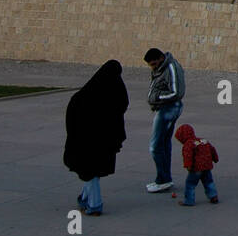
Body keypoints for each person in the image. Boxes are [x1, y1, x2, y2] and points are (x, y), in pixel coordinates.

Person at [63, 60, 129, 216]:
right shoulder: (116, 96)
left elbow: (71, 120)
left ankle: (94, 205)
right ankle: (85, 199)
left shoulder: (82, 97)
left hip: (84, 142)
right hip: (104, 142)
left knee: (88, 171)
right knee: (93, 172)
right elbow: (121, 111)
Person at [144, 47, 185, 193]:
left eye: (154, 64)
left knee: (155, 146)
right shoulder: (161, 68)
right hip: (164, 108)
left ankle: (163, 179)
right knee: (164, 143)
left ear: (161, 58)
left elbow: (176, 92)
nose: (153, 67)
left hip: (169, 108)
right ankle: (165, 178)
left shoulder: (171, 67)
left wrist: (156, 98)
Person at [174, 124, 219, 206]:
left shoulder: (188, 144)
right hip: (207, 166)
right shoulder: (203, 140)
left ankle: (189, 200)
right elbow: (212, 149)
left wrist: (188, 166)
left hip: (196, 168)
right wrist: (215, 159)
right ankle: (213, 196)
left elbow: (188, 156)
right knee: (208, 182)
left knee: (190, 184)